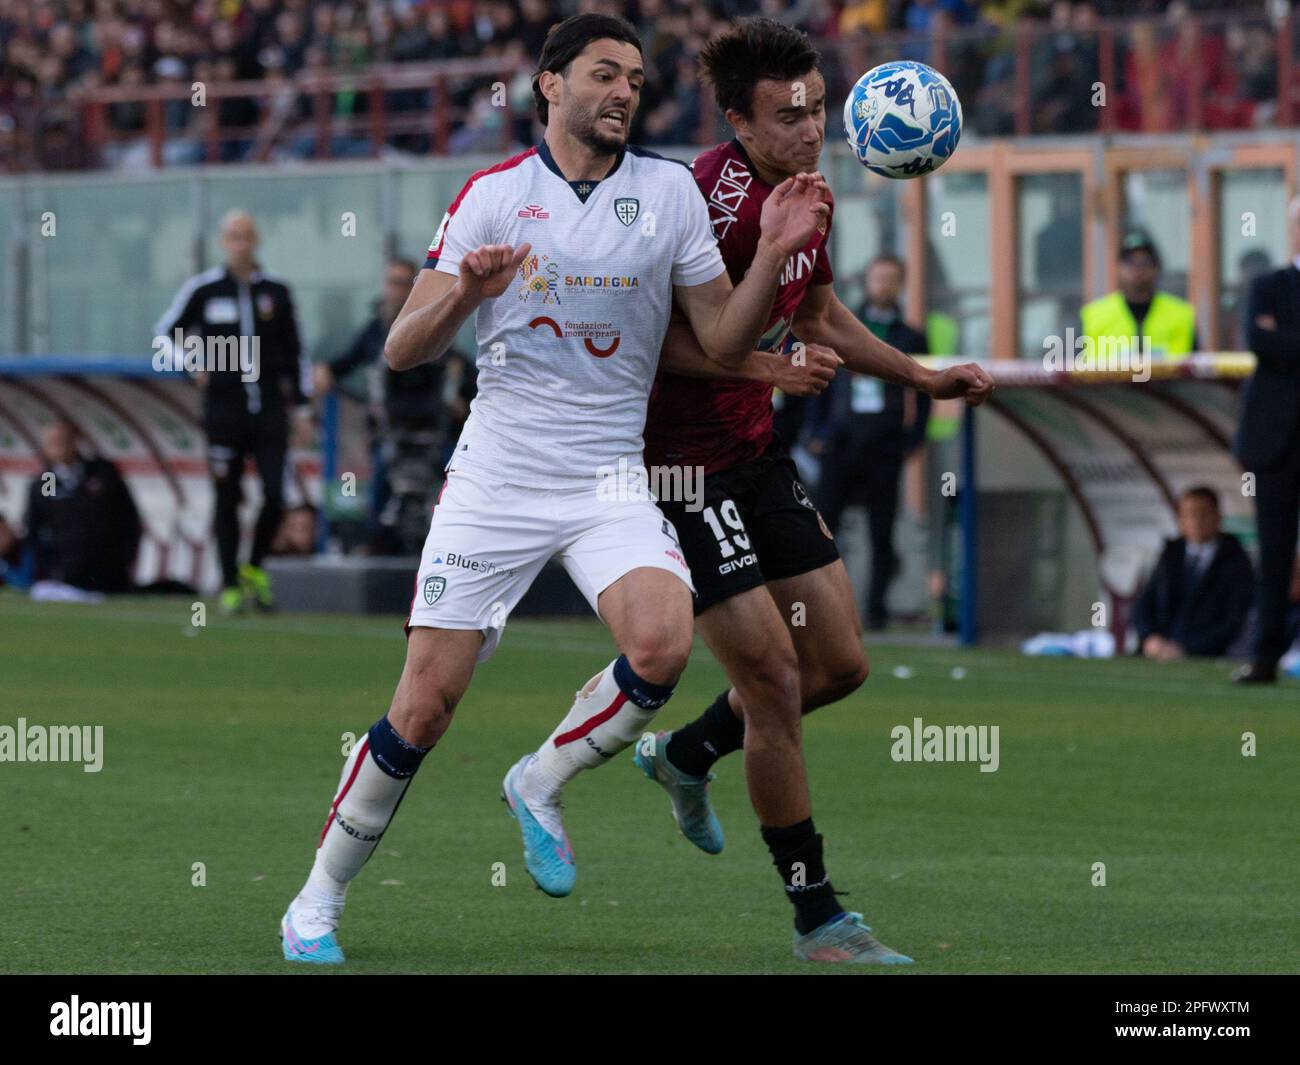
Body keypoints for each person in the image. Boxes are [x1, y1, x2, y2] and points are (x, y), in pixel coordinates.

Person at [279, 12, 831, 965]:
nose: (623, 92)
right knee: (423, 707)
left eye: (634, 79)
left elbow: (722, 340)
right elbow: (402, 351)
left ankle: (539, 777)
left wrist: (775, 250)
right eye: (604, 75)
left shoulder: (666, 194)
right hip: (495, 477)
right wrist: (465, 293)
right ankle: (315, 900)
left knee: (661, 648)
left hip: (610, 472)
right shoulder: (493, 197)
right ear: (550, 86)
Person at [580, 17, 988, 964]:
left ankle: (685, 754)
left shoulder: (808, 191)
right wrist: (765, 372)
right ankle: (820, 918)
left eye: (817, 107)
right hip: (678, 469)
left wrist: (918, 377)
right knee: (770, 681)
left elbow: (817, 310)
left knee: (837, 667)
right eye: (788, 115)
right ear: (738, 121)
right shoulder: (695, 202)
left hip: (756, 459)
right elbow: (659, 343)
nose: (811, 129)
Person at [153, 209, 312, 615]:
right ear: (224, 242)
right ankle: (228, 583)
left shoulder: (276, 291)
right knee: (227, 496)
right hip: (224, 410)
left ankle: (255, 567)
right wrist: (192, 365)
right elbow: (164, 334)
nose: (240, 243)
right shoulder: (204, 290)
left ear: (256, 240)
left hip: (270, 410)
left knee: (276, 494)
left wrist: (305, 407)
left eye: (246, 235)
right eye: (233, 236)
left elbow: (297, 351)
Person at [313, 257, 475, 554]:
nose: (396, 291)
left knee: (446, 494)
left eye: (403, 284)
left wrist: (461, 400)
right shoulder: (375, 332)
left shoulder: (433, 322)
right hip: (391, 433)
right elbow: (348, 361)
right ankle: (376, 552)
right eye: (391, 283)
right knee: (380, 495)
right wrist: (326, 370)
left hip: (433, 434)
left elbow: (461, 368)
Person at [809, 252, 932, 629]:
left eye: (891, 279)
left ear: (901, 283)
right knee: (822, 529)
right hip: (841, 443)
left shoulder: (910, 335)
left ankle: (876, 612)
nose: (884, 285)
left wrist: (912, 438)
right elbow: (821, 380)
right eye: (878, 278)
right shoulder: (844, 324)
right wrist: (818, 432)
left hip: (883, 445)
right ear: (867, 281)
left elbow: (922, 389)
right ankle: (817, 611)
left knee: (883, 531)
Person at [1233, 196, 1300, 684]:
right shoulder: (1267, 285)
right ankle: (1265, 657)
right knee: (1273, 554)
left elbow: (1277, 343)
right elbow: (1259, 341)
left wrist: (1286, 339)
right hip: (1274, 442)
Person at [1134, 487, 1254, 661]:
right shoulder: (1170, 554)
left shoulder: (1236, 561)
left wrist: (1187, 648)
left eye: (1202, 514)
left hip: (1207, 655)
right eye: (1189, 514)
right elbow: (1145, 603)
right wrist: (1150, 638)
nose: (1196, 521)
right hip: (1158, 649)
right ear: (1180, 520)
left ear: (1218, 517)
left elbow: (1234, 620)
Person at [23, 420, 141, 595]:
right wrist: (49, 567)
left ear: (75, 441)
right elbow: (34, 527)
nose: (58, 447)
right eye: (51, 442)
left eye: (62, 440)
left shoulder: (102, 473)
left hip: (108, 573)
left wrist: (124, 558)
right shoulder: (46, 481)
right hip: (65, 575)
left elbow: (130, 519)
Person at [1080, 229, 1197, 358]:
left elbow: (1196, 369)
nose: (1137, 269)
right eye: (1130, 262)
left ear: (1156, 268)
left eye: (1145, 262)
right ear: (1118, 268)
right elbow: (1077, 371)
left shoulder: (1181, 316)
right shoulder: (1093, 317)